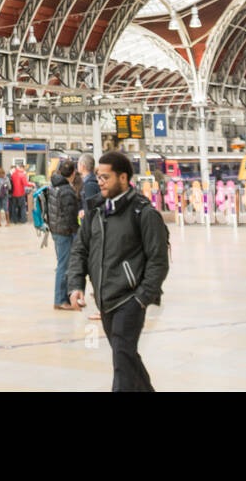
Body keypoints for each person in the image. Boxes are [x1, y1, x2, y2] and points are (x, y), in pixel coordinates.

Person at [67, 151, 170, 392]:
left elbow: (158, 261)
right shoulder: (96, 211)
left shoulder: (143, 213)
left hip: (129, 300)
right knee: (126, 357)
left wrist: (142, 298)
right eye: (98, 177)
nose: (99, 182)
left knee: (121, 361)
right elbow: (80, 249)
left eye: (105, 177)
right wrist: (75, 285)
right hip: (105, 300)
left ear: (123, 178)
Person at [45, 157, 80, 310]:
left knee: (63, 264)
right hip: (65, 232)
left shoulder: (54, 187)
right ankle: (60, 300)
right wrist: (77, 232)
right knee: (64, 266)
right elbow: (70, 215)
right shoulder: (67, 191)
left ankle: (64, 297)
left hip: (56, 230)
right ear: (73, 174)